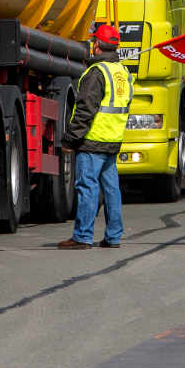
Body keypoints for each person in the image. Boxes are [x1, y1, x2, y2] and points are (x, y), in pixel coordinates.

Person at [57, 24, 132, 250]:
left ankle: (82, 236)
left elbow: (85, 110)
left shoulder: (96, 73)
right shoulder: (122, 73)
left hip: (92, 141)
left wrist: (70, 140)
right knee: (111, 189)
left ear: (97, 45)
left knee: (87, 187)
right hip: (112, 140)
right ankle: (113, 236)